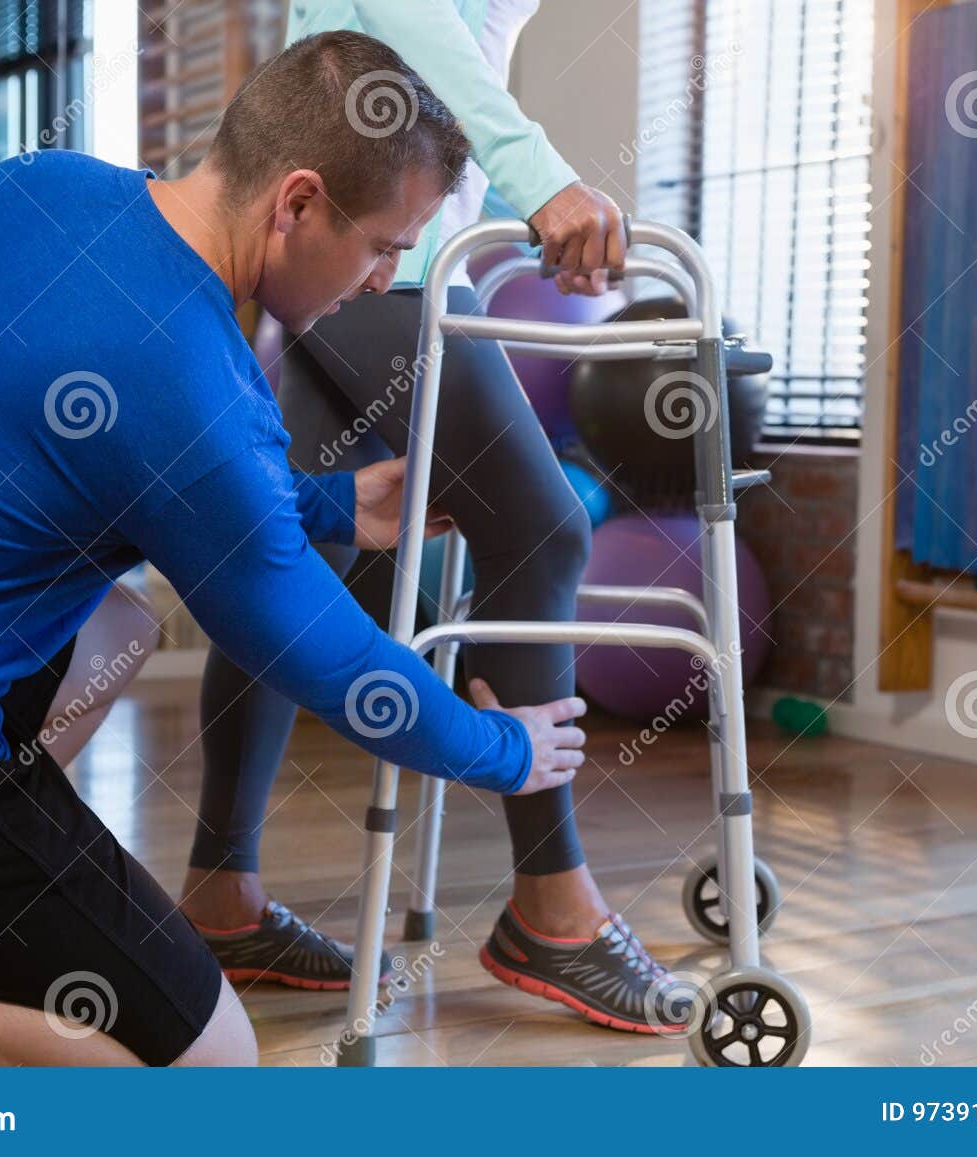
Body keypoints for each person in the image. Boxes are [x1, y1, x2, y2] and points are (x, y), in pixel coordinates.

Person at [0, 31, 588, 1068]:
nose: (383, 280)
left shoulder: (34, 188)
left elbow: (118, 468)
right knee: (202, 1062)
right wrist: (506, 750)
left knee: (115, 622)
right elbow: (330, 664)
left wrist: (326, 505)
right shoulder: (190, 381)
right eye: (382, 245)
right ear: (298, 203)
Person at [180, 0, 676, 1033]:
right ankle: (551, 904)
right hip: (381, 257)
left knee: (286, 548)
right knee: (545, 530)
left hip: (371, 245)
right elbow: (415, 28)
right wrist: (543, 183)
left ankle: (222, 895)